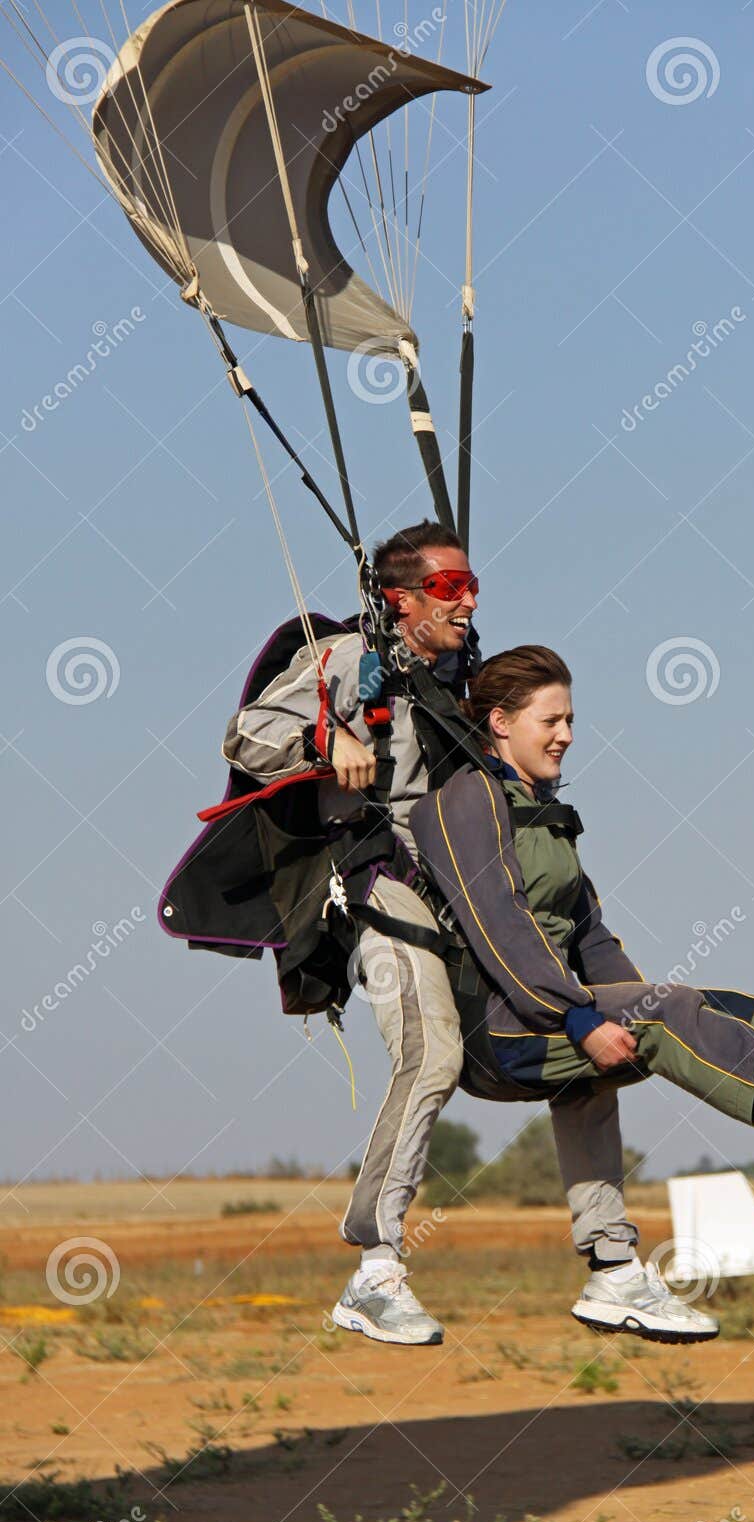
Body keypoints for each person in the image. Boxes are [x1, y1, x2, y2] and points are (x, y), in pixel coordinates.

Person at [409, 645, 754, 1345]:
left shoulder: (542, 811)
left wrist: (634, 1000)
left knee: (727, 1007)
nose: (566, 735)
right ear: (499, 722)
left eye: (571, 720)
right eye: (550, 721)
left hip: (553, 1010)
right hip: (502, 1030)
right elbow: (500, 926)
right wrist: (585, 1017)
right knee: (673, 1013)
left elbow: (590, 936)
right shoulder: (464, 800)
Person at [219, 520, 484, 1347]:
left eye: (472, 586)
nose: (467, 602)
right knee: (430, 1055)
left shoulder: (462, 679)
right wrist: (324, 737)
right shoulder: (343, 660)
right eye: (448, 588)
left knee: (576, 1034)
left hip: (465, 901)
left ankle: (611, 1260)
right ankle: (375, 1265)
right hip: (378, 887)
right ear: (399, 599)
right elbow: (245, 734)